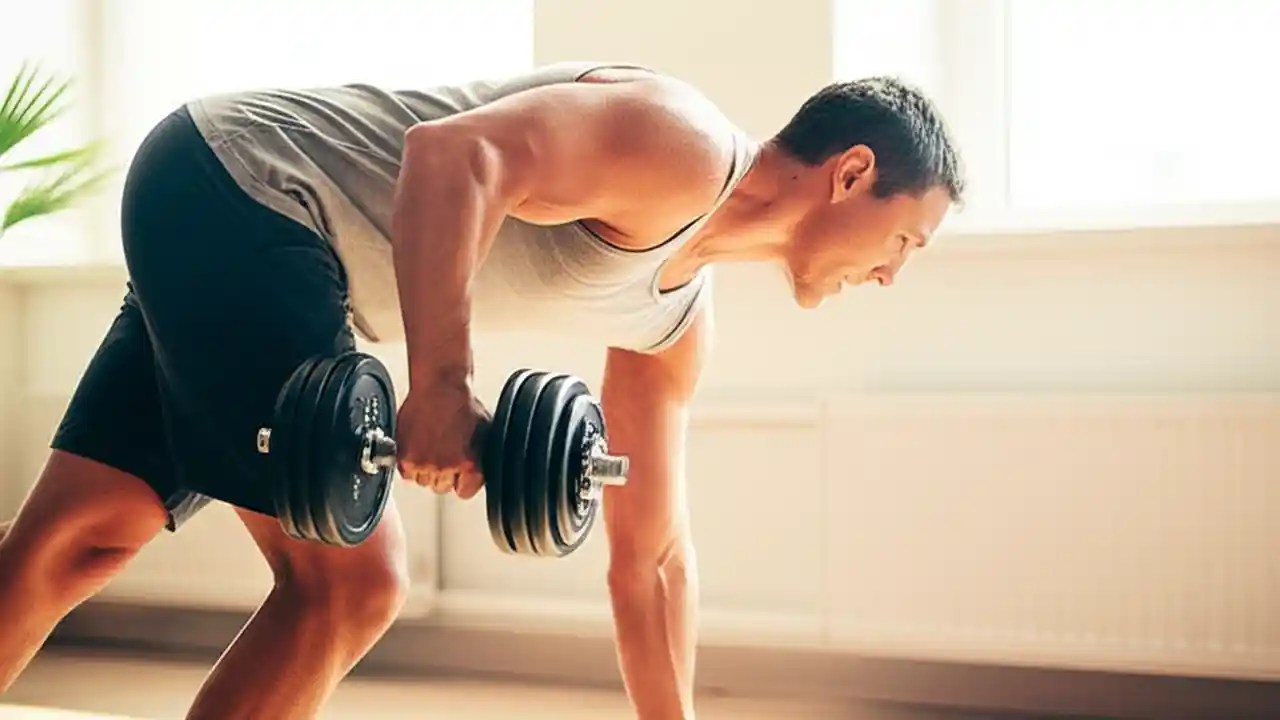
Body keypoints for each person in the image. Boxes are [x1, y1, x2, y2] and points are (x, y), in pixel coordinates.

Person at [0, 61, 963, 718]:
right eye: (905, 241)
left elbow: (654, 559)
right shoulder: (682, 146)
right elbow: (452, 156)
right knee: (352, 586)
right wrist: (442, 386)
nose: (892, 274)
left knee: (81, 535)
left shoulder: (671, 322)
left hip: (214, 197)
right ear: (853, 174)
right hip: (250, 186)